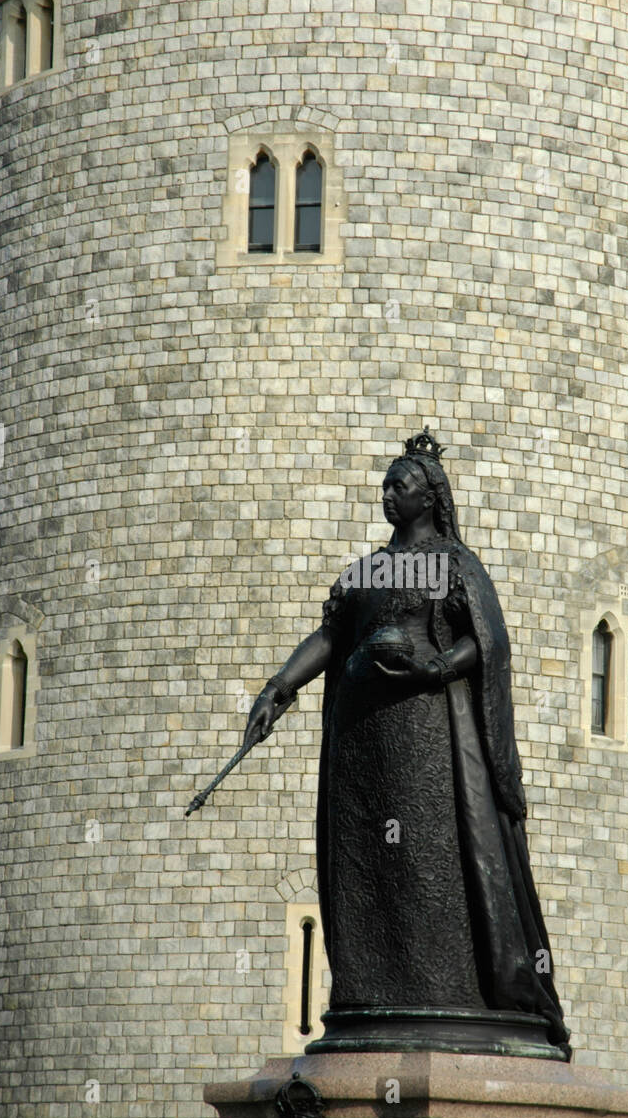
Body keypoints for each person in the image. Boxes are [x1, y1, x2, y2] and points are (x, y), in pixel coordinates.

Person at [244, 430, 570, 1057]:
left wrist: (439, 668)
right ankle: (373, 988)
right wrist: (278, 688)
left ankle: (447, 989)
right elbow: (331, 638)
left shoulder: (453, 564)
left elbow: (488, 640)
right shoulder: (368, 572)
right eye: (387, 485)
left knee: (431, 861)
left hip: (431, 744)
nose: (388, 494)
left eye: (402, 486)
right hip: (364, 747)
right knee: (374, 865)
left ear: (429, 499)